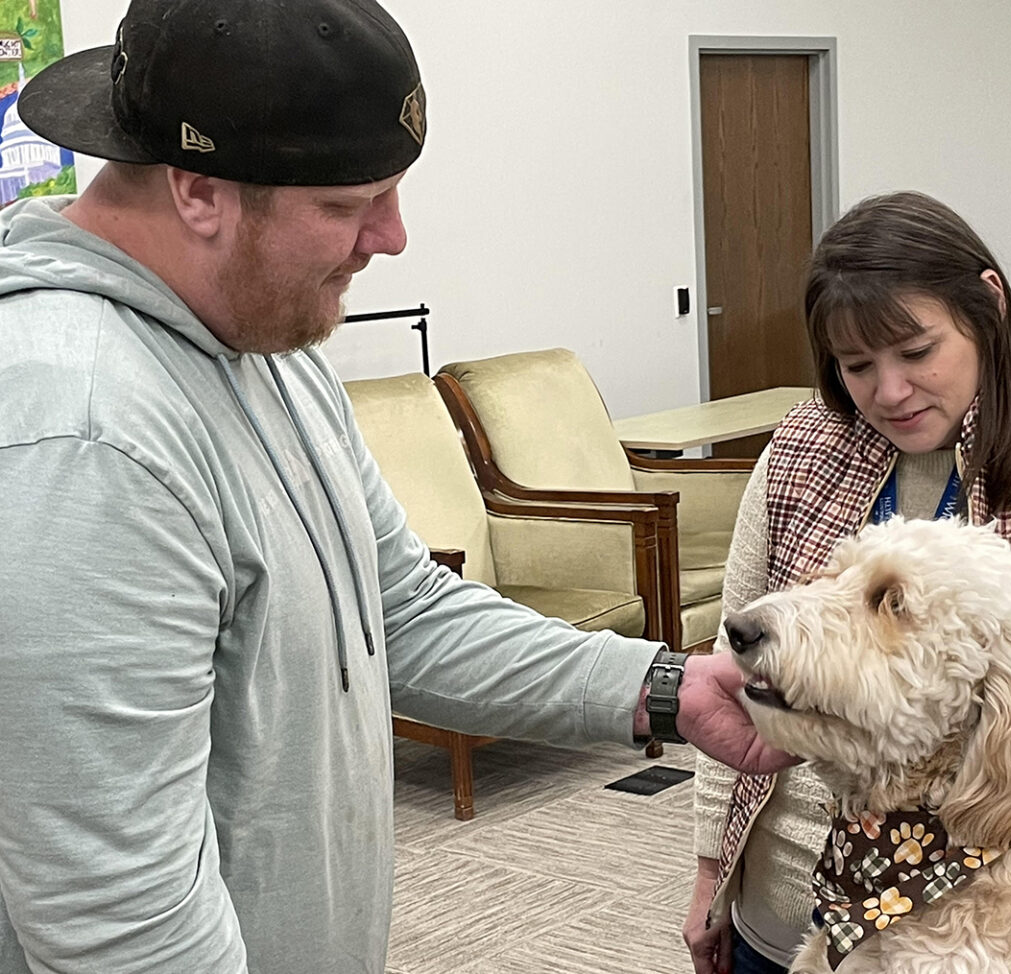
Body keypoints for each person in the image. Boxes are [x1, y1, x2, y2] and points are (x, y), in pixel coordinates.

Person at [0, 3, 795, 973]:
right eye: (348, 204)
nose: (393, 235)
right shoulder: (83, 434)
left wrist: (660, 687)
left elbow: (401, 611)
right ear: (199, 190)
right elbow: (117, 915)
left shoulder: (266, 347)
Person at [684, 190, 1011, 974]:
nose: (889, 391)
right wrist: (710, 873)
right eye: (858, 365)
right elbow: (736, 674)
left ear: (987, 307)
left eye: (916, 351)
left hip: (1009, 934)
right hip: (787, 913)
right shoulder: (796, 453)